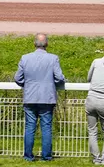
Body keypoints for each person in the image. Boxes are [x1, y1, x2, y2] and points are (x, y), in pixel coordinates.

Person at [14, 33, 66, 162]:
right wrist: (54, 85)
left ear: (34, 43)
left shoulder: (25, 58)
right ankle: (46, 156)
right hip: (47, 97)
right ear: (47, 44)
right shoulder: (53, 58)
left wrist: (27, 85)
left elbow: (17, 78)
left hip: (30, 96)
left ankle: (28, 156)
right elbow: (59, 77)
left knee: (30, 127)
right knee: (46, 127)